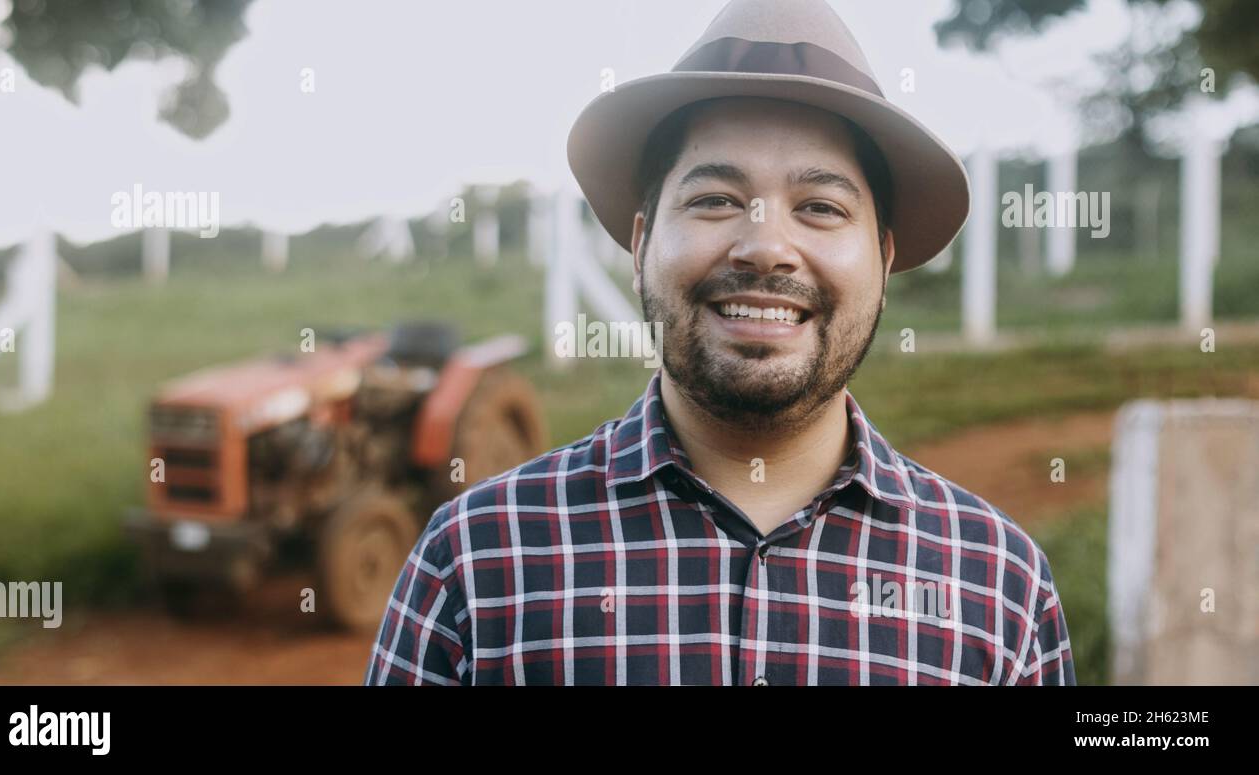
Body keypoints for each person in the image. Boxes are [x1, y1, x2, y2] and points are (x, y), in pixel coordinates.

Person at [366, 0, 1075, 686]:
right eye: (715, 200)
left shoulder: (1000, 586)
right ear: (641, 244)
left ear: (884, 263)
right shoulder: (477, 559)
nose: (766, 247)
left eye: (821, 208)